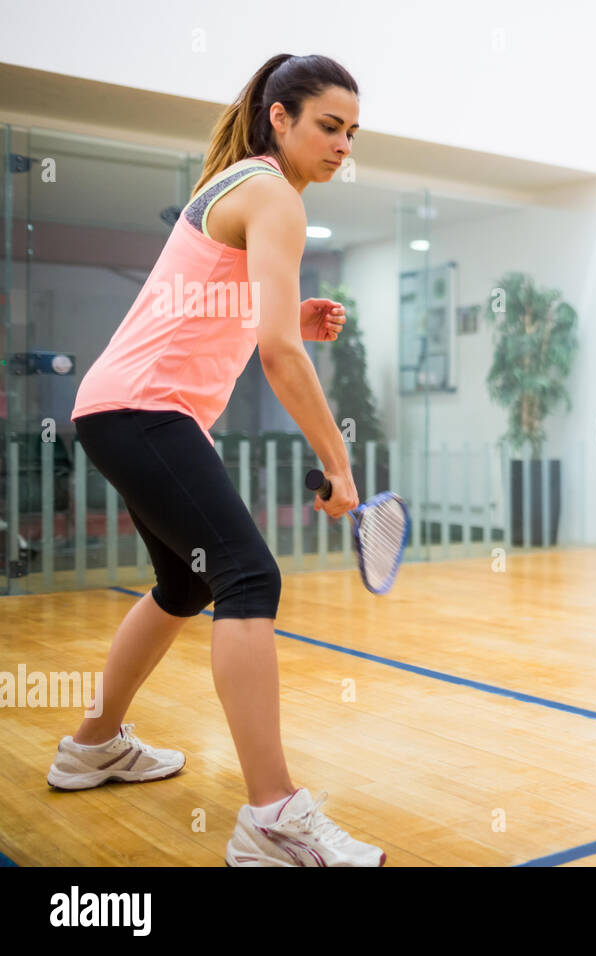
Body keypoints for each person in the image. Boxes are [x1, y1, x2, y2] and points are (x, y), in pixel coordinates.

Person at [48, 54, 384, 866]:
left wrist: (288, 314)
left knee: (187, 582)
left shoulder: (235, 184)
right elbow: (276, 356)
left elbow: (212, 302)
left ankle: (92, 743)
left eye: (352, 132)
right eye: (328, 127)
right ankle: (272, 816)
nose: (343, 145)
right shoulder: (273, 194)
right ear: (281, 117)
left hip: (116, 408)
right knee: (249, 577)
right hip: (147, 411)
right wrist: (339, 464)